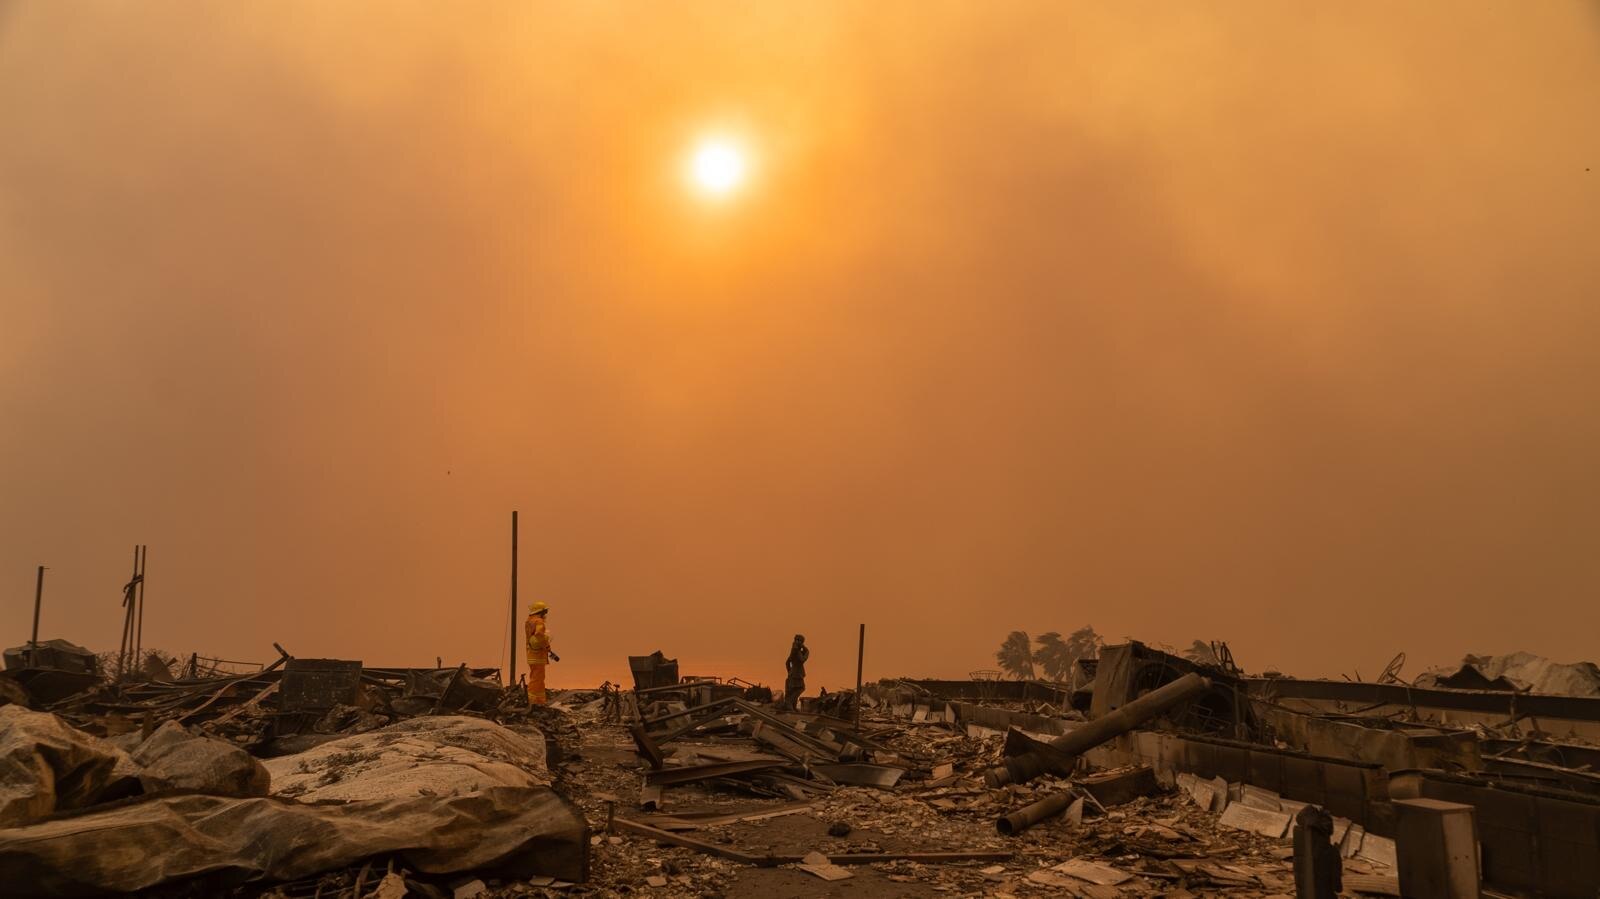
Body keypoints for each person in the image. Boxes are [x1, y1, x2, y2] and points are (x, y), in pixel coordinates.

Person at [525, 601, 560, 705]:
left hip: (531, 654)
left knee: (536, 678)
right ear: (541, 612)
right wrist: (546, 644)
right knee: (537, 680)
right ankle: (534, 701)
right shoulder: (539, 622)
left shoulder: (529, 621)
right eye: (545, 612)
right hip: (538, 656)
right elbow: (539, 634)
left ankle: (538, 701)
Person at [783, 634, 809, 710]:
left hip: (794, 673)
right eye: (797, 640)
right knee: (800, 688)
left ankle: (792, 705)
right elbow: (802, 660)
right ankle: (790, 703)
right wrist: (807, 651)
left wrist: (790, 671)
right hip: (797, 674)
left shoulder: (794, 650)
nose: (798, 642)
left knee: (794, 689)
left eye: (799, 640)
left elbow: (787, 662)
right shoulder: (796, 650)